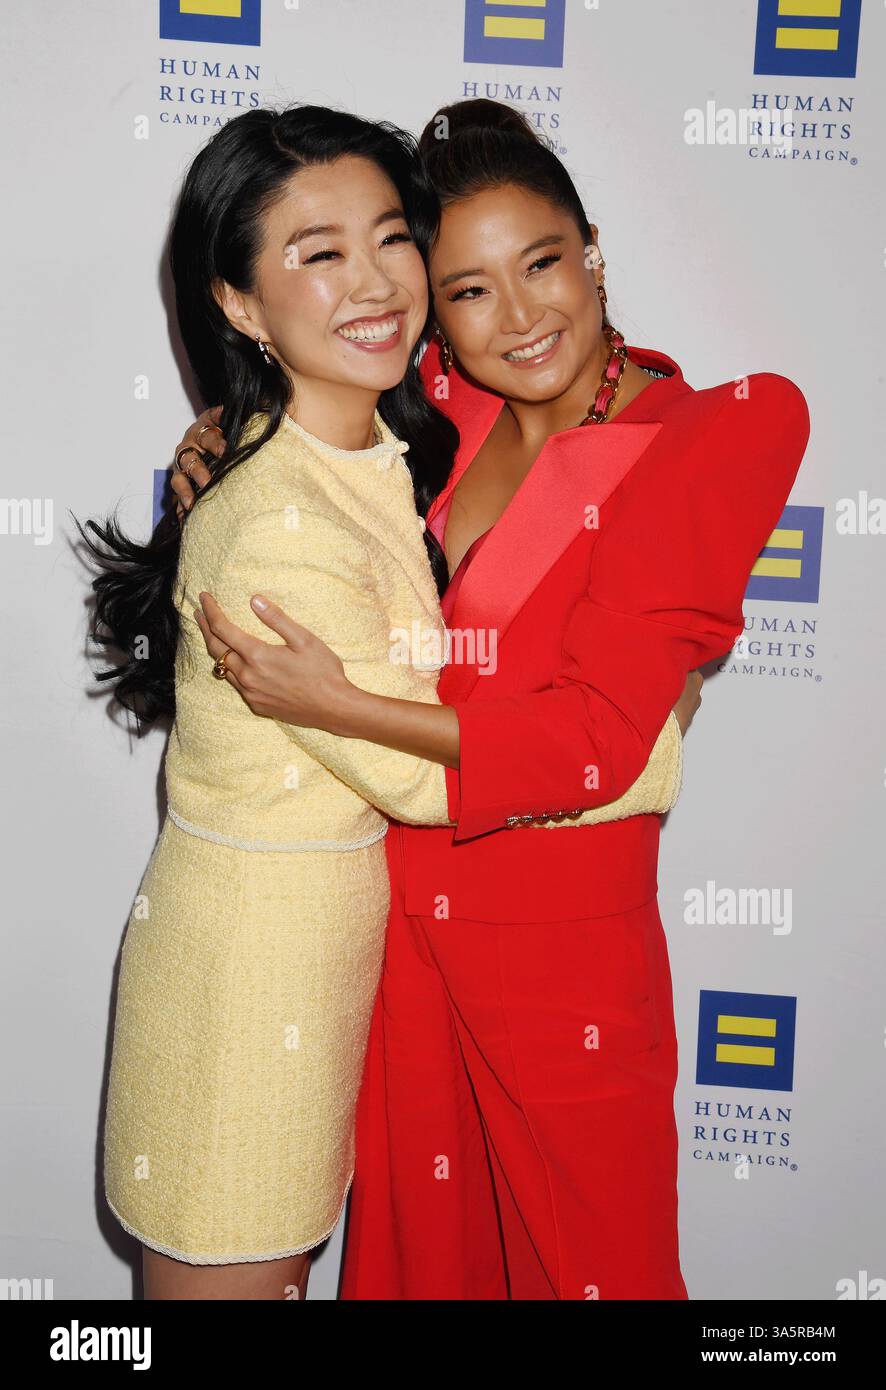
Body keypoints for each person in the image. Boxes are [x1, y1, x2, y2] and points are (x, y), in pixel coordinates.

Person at [171, 98, 804, 1299]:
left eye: (543, 264)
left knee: (595, 1271)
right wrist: (219, 441)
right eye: (465, 290)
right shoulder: (431, 420)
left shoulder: (708, 432)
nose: (518, 318)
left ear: (593, 247)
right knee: (420, 1271)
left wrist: (345, 704)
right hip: (399, 931)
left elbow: (597, 738)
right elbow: (304, 459)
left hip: (565, 958)